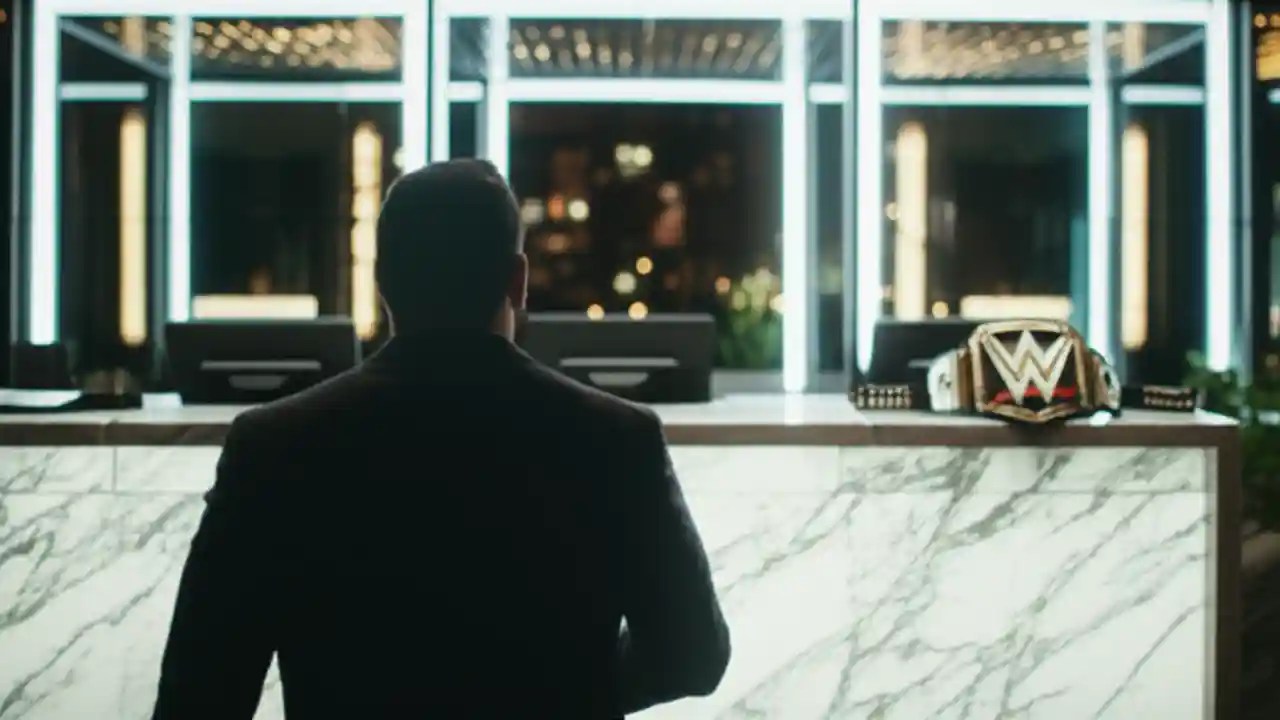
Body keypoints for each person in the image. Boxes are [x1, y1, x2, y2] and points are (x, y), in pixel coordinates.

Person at [152, 159, 730, 719]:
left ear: (381, 283)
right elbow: (694, 657)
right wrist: (580, 690)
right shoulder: (617, 439)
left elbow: (200, 694)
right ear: (519, 281)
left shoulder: (270, 447)